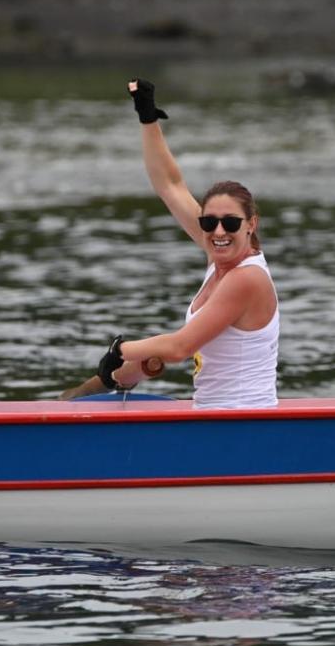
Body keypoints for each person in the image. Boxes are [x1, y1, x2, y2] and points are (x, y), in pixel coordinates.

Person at [94, 80, 279, 409]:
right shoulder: (219, 255)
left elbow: (180, 348)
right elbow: (170, 184)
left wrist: (120, 350)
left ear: (251, 225)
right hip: (212, 417)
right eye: (209, 222)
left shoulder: (246, 278)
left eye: (230, 223)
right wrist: (147, 117)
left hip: (246, 424)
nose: (218, 231)